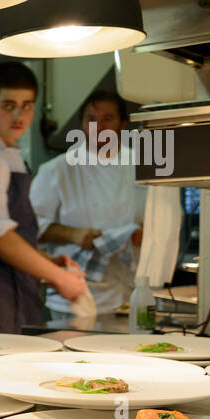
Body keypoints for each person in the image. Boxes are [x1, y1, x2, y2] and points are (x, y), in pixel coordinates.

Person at [0, 62, 86, 332]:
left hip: (13, 277)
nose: (19, 115)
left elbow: (12, 233)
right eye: (9, 106)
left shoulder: (9, 155)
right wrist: (59, 278)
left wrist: (45, 262)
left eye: (27, 105)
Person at [30, 89, 147, 316]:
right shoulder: (57, 170)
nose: (98, 127)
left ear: (122, 124)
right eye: (91, 119)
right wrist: (74, 235)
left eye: (107, 119)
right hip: (73, 298)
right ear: (82, 124)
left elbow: (168, 220)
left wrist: (148, 235)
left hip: (133, 294)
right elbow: (30, 227)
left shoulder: (143, 165)